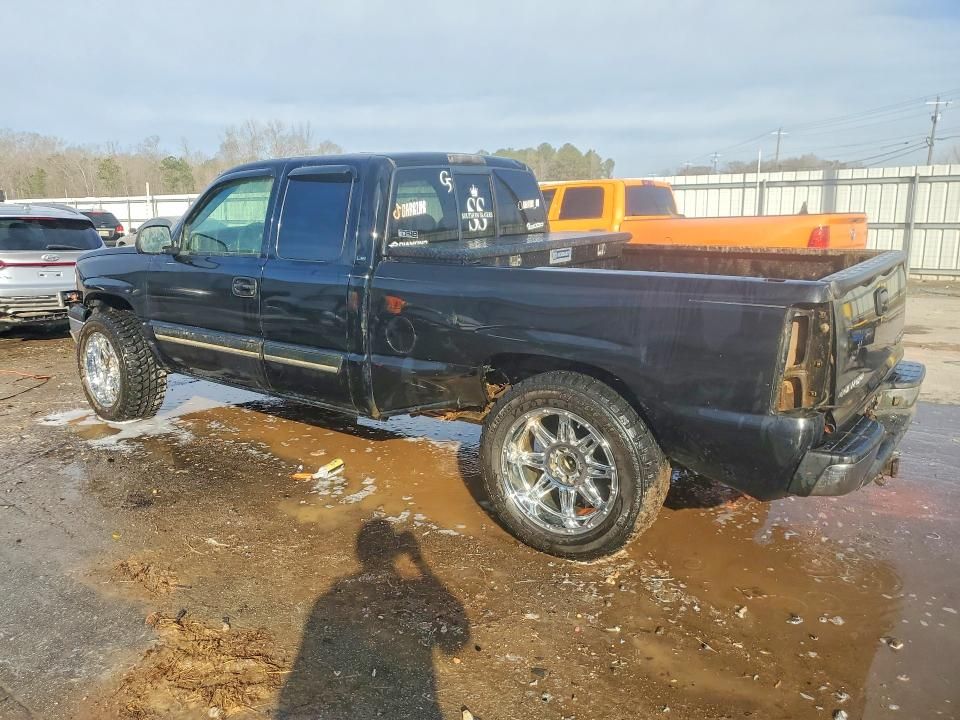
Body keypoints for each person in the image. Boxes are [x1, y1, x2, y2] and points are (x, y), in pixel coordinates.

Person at [277, 519, 469, 719]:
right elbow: (455, 643)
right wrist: (418, 560)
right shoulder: (413, 592)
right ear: (393, 552)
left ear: (360, 553)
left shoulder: (330, 600)